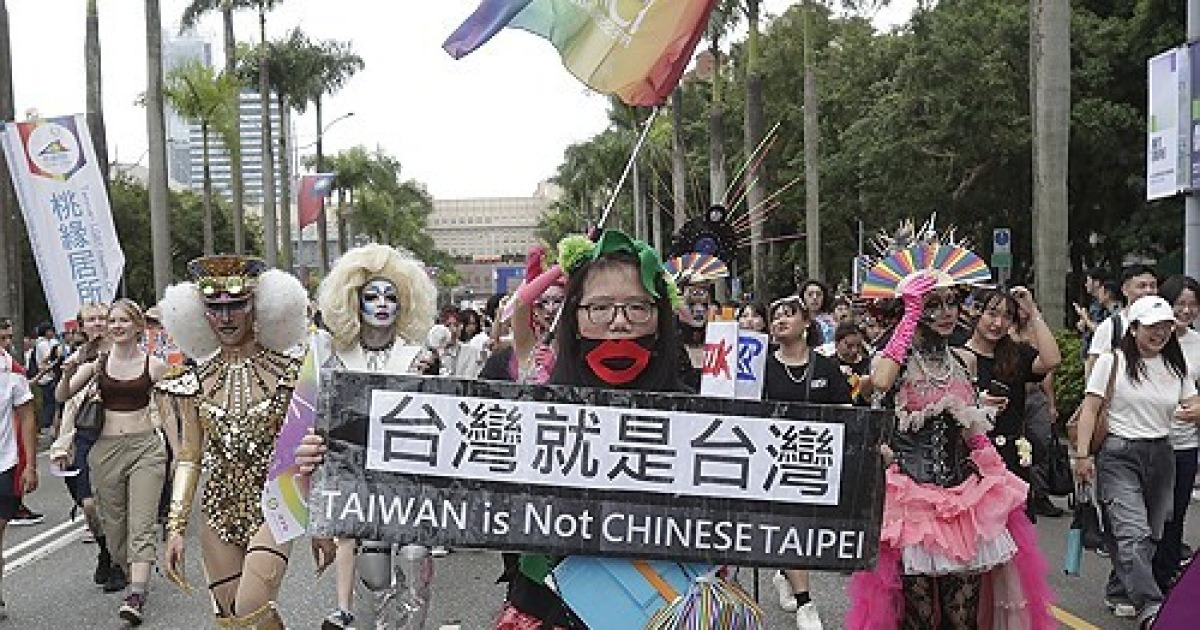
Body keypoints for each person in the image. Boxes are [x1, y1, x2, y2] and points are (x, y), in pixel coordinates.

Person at [847, 268, 1054, 629]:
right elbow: (878, 382)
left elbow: (970, 431)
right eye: (933, 304)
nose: (947, 312)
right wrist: (911, 314)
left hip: (962, 498)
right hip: (911, 500)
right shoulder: (893, 360)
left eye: (952, 302)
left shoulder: (964, 361)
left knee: (962, 617)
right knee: (920, 618)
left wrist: (994, 473)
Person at [156, 255, 313, 629]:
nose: (225, 317)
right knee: (231, 621)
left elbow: (307, 457)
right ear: (201, 313)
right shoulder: (192, 382)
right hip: (218, 511)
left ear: (257, 307)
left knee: (252, 607)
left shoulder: (294, 376)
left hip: (277, 504)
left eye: (236, 305)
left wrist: (322, 526)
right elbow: (191, 457)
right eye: (215, 307)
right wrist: (176, 527)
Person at [314, 244, 438, 630]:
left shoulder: (421, 356)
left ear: (405, 304)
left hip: (411, 480)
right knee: (374, 573)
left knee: (415, 557)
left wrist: (431, 378)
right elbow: (318, 421)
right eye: (371, 296)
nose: (382, 304)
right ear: (354, 301)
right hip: (359, 481)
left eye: (391, 296)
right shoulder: (333, 356)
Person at [1074, 295, 1200, 627]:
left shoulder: (1175, 366)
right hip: (1119, 454)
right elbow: (1090, 409)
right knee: (1133, 532)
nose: (1159, 334)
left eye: (1165, 328)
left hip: (1162, 455)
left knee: (1153, 534)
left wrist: (1197, 409)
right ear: (1133, 329)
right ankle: (1151, 607)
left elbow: (1192, 401)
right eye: (1152, 328)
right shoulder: (1112, 362)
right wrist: (1083, 456)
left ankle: (1121, 588)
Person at [60, 300, 169, 623]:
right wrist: (67, 375)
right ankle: (131, 566)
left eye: (124, 321)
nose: (117, 326)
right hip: (105, 450)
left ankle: (136, 593)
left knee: (142, 524)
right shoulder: (97, 364)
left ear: (138, 326)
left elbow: (172, 413)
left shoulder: (155, 365)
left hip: (145, 448)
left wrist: (182, 456)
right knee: (114, 527)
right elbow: (61, 397)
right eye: (112, 321)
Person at [764, 295, 851, 630]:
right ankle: (805, 602)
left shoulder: (825, 366)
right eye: (775, 316)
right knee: (791, 524)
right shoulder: (763, 365)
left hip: (814, 460)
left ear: (807, 324)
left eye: (789, 314)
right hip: (772, 461)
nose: (781, 320)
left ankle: (785, 571)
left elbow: (845, 410)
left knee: (805, 528)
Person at [959, 287, 1062, 518]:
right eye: (992, 314)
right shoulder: (958, 355)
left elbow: (1052, 360)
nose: (998, 323)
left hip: (1010, 458)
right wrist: (979, 403)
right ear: (977, 313)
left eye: (1007, 316)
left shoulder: (1015, 354)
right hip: (970, 459)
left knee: (1012, 533)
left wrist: (1033, 311)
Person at [50, 302, 116, 589]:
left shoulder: (128, 350)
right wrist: (61, 448)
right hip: (85, 439)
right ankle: (106, 551)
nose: (99, 323)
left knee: (117, 508)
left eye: (104, 318)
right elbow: (65, 402)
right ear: (82, 326)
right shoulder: (79, 357)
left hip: (122, 439)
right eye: (92, 319)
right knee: (89, 506)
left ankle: (122, 564)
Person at [1151, 275, 1200, 592]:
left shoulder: (1198, 343)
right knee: (1148, 516)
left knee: (1176, 514)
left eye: (1193, 304)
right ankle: (1134, 581)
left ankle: (1164, 579)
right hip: (1150, 441)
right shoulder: (1152, 338)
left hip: (1186, 442)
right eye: (1180, 303)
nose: (1186, 310)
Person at [0, 318, 38, 618]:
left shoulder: (13, 371)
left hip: (4, 463)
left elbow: (26, 416)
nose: (5, 345)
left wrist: (30, 466)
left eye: (7, 338)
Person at [1086, 264, 1159, 379]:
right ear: (1125, 290)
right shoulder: (1111, 326)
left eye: (1153, 286)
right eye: (1142, 286)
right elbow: (1093, 368)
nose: (1148, 291)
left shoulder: (1166, 325)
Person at [798, 279, 836, 345]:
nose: (815, 298)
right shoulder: (796, 320)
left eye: (818, 294)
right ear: (803, 297)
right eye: (810, 294)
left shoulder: (831, 322)